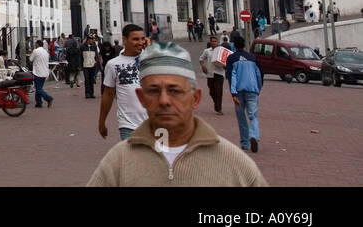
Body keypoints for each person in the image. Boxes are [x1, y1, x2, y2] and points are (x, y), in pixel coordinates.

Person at [87, 42, 267, 187]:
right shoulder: (118, 163)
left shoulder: (232, 163)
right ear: (142, 98)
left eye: (174, 91)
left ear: (195, 98)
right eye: (154, 91)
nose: (164, 100)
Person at [98, 24, 148, 142]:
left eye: (142, 39)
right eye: (135, 39)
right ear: (124, 40)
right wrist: (102, 122)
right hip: (129, 125)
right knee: (132, 160)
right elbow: (108, 94)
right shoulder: (113, 64)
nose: (140, 42)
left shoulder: (151, 60)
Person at [225, 33, 263, 153]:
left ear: (234, 46)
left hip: (239, 91)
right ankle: (254, 136)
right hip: (252, 90)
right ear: (244, 45)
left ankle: (245, 143)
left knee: (241, 118)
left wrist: (233, 94)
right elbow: (258, 75)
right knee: (253, 116)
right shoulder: (252, 58)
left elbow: (232, 76)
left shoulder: (231, 59)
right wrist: (258, 89)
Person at [198, 35, 227, 115]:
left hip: (219, 73)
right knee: (212, 92)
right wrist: (203, 66)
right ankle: (216, 103)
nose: (214, 43)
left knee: (219, 91)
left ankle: (219, 108)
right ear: (210, 42)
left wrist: (225, 66)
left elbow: (225, 60)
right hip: (210, 74)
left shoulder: (221, 51)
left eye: (215, 41)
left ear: (217, 42)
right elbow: (201, 59)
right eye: (212, 41)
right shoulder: (207, 51)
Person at [30, 38, 53, 109]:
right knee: (39, 88)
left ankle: (48, 98)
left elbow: (30, 59)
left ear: (37, 44)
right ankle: (38, 102)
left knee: (38, 88)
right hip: (45, 72)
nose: (35, 45)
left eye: (35, 44)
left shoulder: (35, 51)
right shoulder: (46, 52)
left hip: (38, 72)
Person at [81, 34, 101, 99]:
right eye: (92, 39)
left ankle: (92, 93)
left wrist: (97, 62)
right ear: (88, 39)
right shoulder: (82, 47)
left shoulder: (94, 46)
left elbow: (96, 55)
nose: (93, 40)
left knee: (91, 79)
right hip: (85, 65)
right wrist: (80, 65)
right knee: (87, 79)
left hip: (93, 65)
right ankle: (87, 93)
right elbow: (80, 56)